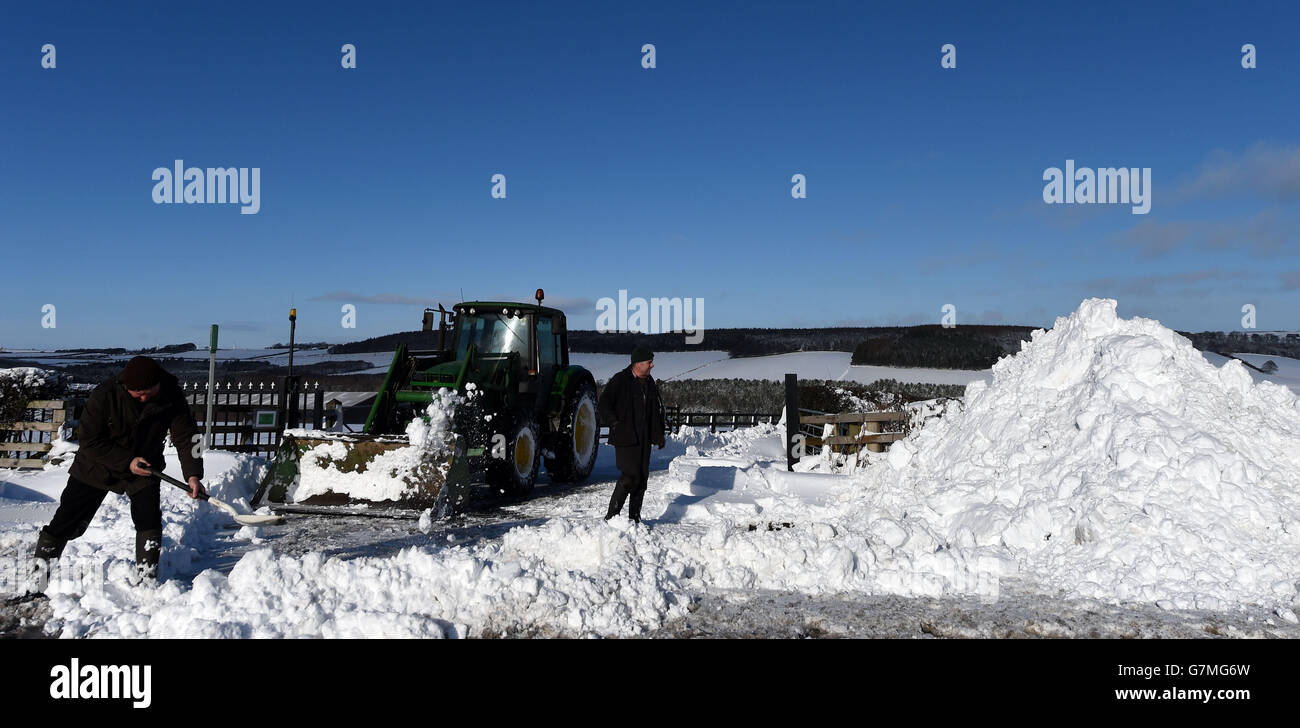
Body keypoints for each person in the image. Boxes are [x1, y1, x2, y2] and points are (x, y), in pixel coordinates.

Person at [29, 356, 206, 593]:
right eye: (137, 394)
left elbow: (188, 436)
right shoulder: (104, 395)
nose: (143, 398)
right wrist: (126, 461)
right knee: (65, 522)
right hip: (96, 466)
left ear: (158, 384)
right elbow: (89, 441)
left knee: (148, 520)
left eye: (148, 393)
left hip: (145, 467)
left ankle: (147, 583)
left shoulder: (172, 396)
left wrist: (193, 475)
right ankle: (37, 582)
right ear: (125, 386)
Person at [598, 346, 665, 523]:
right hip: (625, 436)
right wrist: (614, 423)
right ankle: (612, 517)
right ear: (638, 363)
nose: (652, 365)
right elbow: (604, 404)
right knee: (630, 475)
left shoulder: (649, 382)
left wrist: (658, 435)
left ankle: (635, 518)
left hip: (643, 438)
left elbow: (654, 412)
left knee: (642, 478)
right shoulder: (621, 380)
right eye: (649, 362)